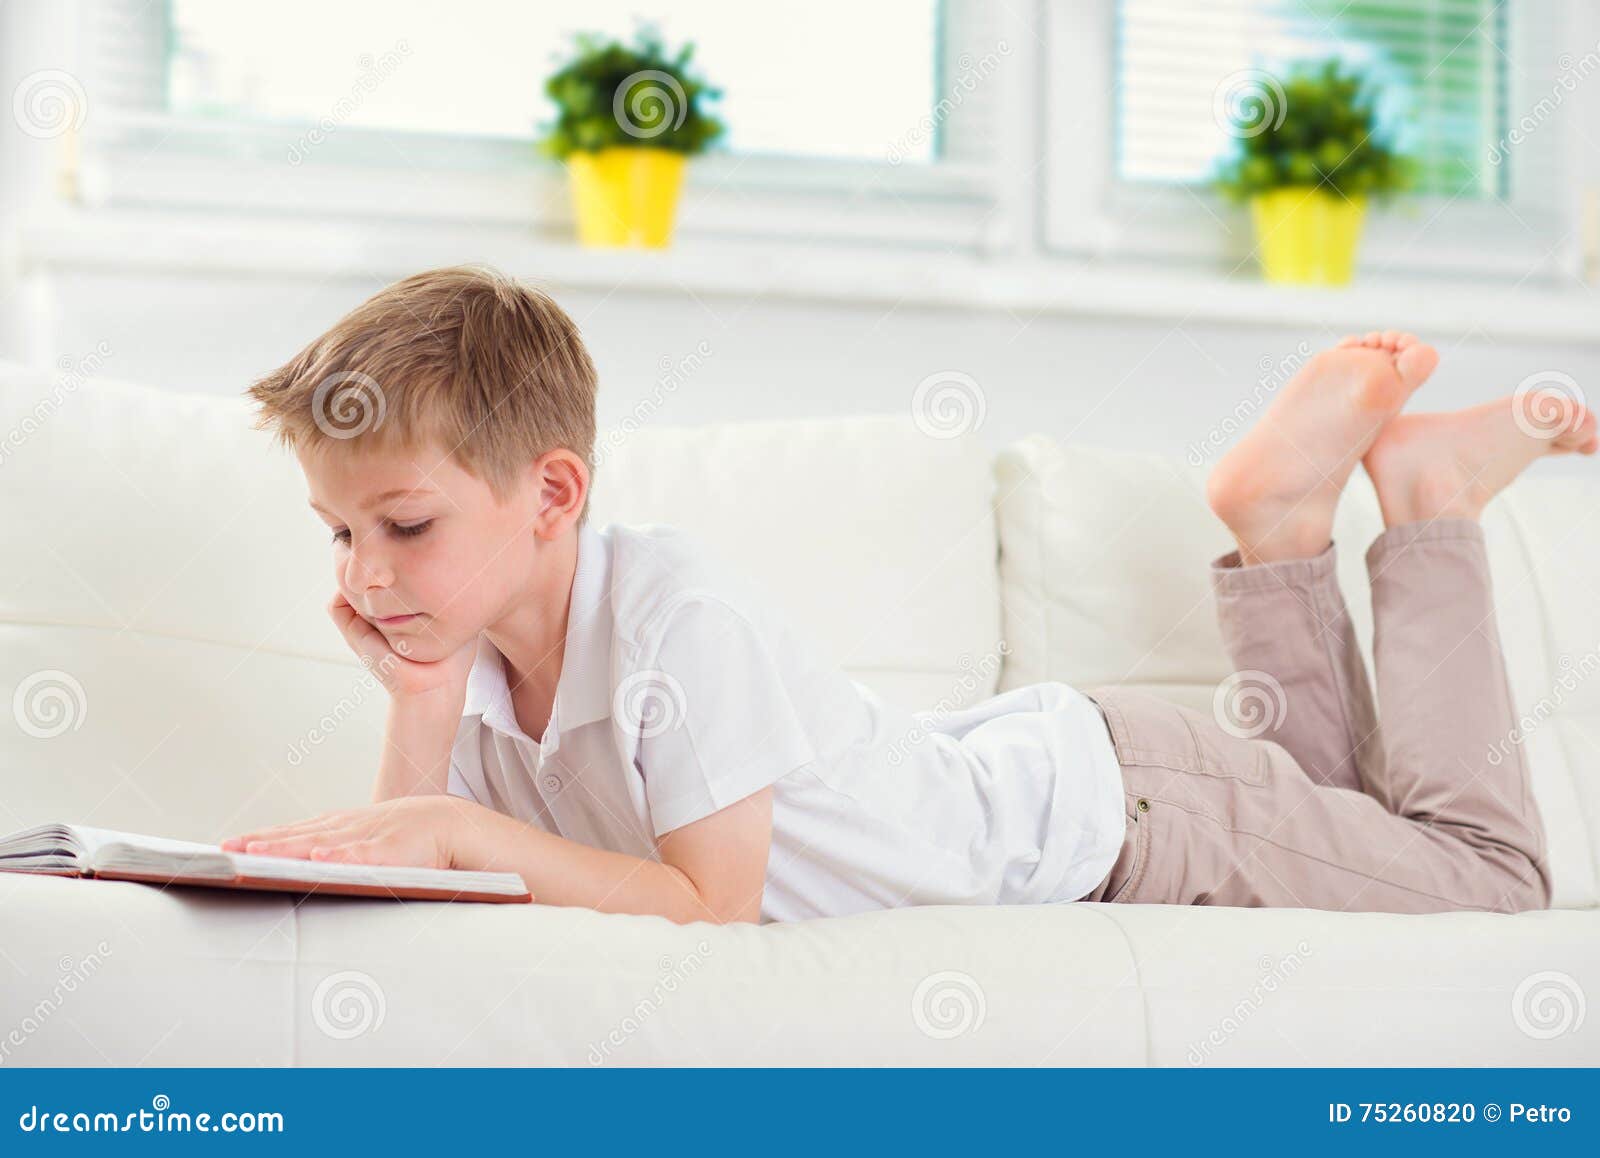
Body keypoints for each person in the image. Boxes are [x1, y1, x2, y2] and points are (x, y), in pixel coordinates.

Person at [223, 267, 1595, 923]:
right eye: (337, 533)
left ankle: (1428, 506)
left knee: (1491, 886)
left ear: (554, 494)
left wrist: (460, 827)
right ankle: (1287, 522)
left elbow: (709, 904)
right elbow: (418, 886)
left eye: (401, 524)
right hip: (1080, 770)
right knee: (1349, 820)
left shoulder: (669, 617)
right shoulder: (462, 657)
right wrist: (416, 710)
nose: (363, 572)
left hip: (1126, 818)